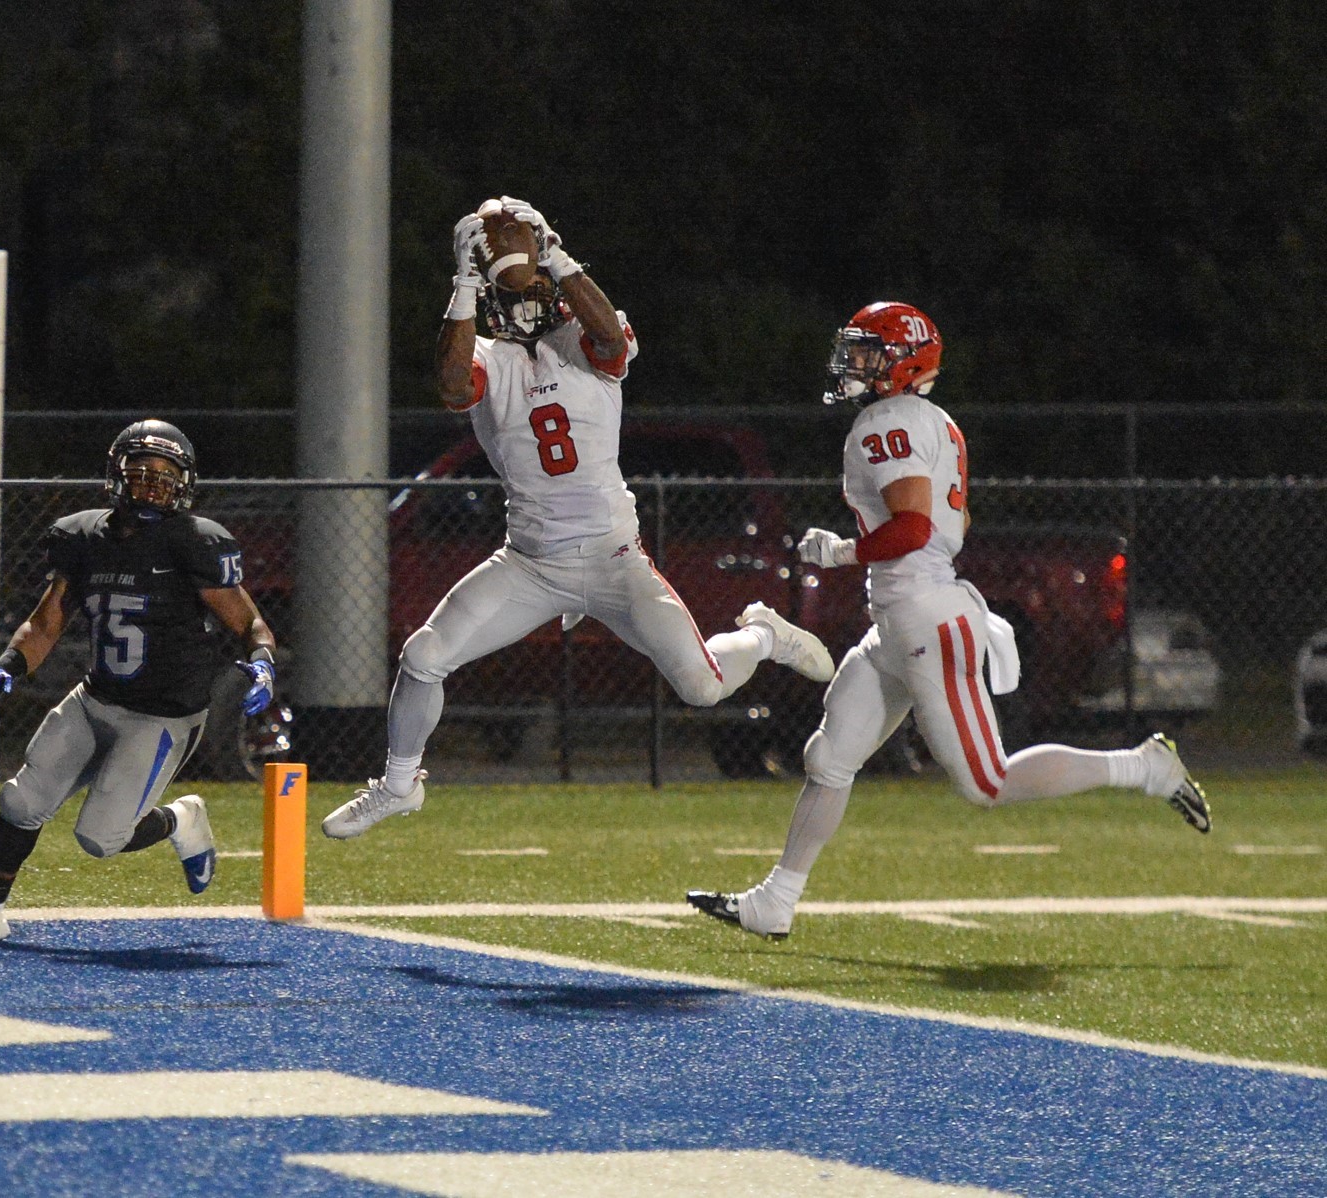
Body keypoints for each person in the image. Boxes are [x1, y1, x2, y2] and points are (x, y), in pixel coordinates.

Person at [687, 302, 1211, 940]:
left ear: (904, 362)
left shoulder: (887, 421)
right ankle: (777, 900)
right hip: (901, 622)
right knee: (829, 757)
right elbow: (955, 526)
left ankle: (1145, 766)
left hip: (926, 623)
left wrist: (841, 551)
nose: (853, 365)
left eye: (868, 353)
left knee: (986, 782)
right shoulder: (934, 421)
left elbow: (912, 529)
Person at [320, 196, 834, 840]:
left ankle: (764, 635)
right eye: (524, 275)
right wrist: (463, 280)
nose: (532, 287)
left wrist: (557, 255)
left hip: (614, 558)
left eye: (540, 274)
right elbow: (453, 386)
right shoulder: (486, 356)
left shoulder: (586, 339)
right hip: (532, 563)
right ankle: (399, 785)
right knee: (424, 655)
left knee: (701, 688)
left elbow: (612, 337)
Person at [0, 419, 276, 942]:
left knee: (100, 838)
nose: (153, 484)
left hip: (162, 716)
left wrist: (263, 660)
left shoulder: (195, 543)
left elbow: (249, 622)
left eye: (165, 475)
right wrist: (7, 666)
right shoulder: (83, 536)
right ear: (116, 476)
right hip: (95, 698)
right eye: (141, 473)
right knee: (21, 802)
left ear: (184, 483)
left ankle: (179, 819)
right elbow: (45, 623)